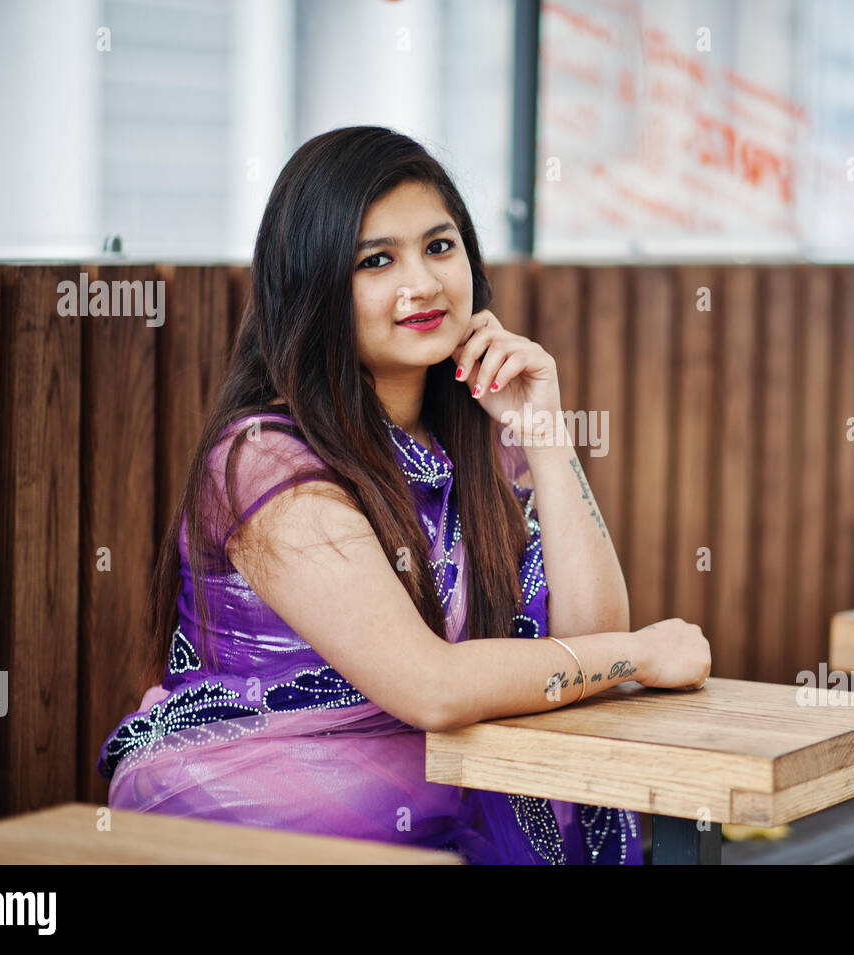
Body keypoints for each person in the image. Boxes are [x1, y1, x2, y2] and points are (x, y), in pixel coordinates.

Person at [97, 125, 711, 864]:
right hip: (253, 804)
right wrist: (639, 656)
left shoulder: (480, 442)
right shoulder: (265, 460)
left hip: (431, 784)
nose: (421, 282)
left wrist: (545, 431)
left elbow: (591, 628)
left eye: (439, 246)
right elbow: (432, 688)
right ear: (315, 285)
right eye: (376, 260)